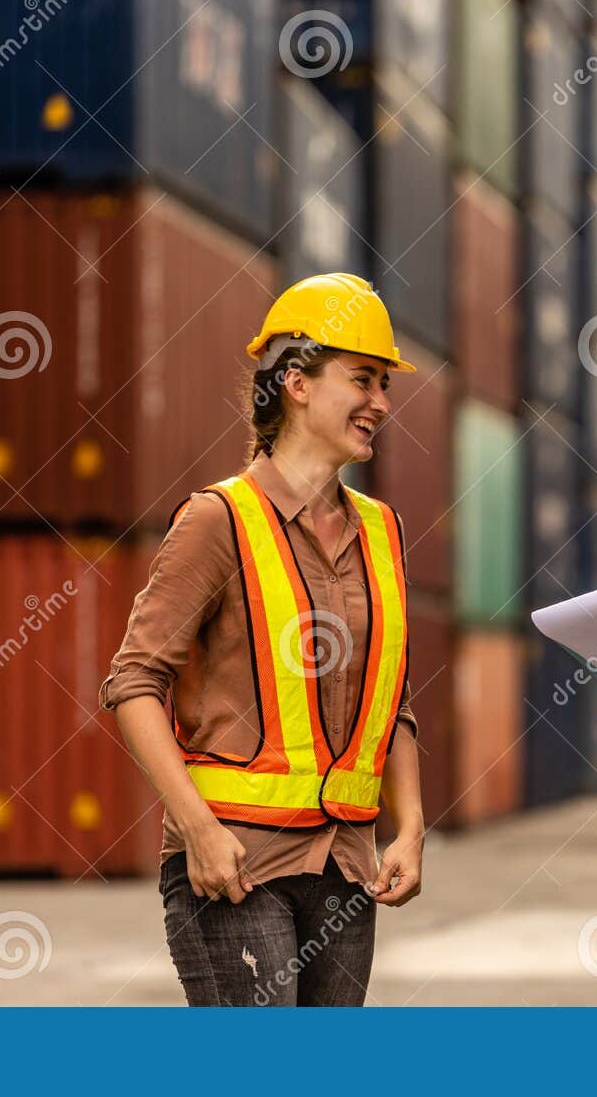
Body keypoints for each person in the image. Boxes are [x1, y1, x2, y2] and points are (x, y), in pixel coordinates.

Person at [99, 273, 425, 1006]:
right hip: (235, 865)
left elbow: (391, 703)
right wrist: (198, 829)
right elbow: (132, 682)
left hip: (346, 869)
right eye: (364, 379)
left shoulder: (383, 530)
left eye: (385, 384)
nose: (381, 401)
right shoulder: (219, 520)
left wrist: (411, 828)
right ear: (297, 383)